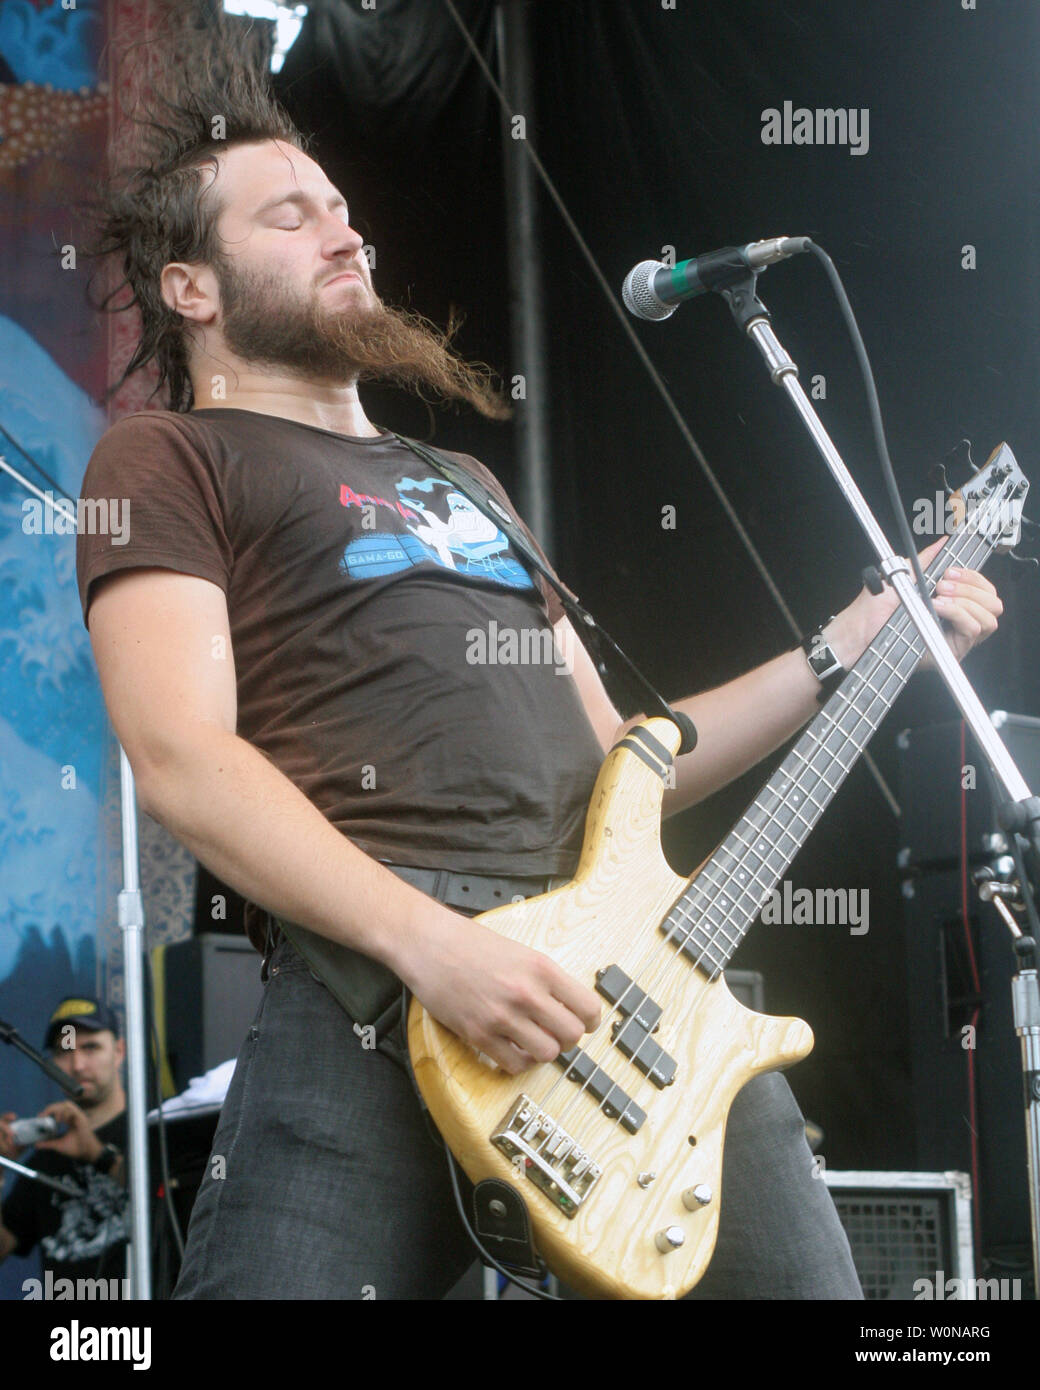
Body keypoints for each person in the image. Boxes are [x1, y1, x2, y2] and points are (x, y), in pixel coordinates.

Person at [75, 53, 1002, 1300]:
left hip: (611, 977)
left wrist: (855, 635)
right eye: (286, 215)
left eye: (341, 206)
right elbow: (184, 755)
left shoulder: (468, 488)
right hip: (374, 983)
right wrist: (432, 951)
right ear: (190, 285)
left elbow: (625, 753)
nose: (341, 229)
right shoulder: (163, 458)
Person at [0, 997, 128, 1291]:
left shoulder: (152, 1134)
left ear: (119, 1051)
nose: (77, 1064)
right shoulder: (45, 1156)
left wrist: (97, 1155)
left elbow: (167, 1200)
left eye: (91, 1047)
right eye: (64, 1051)